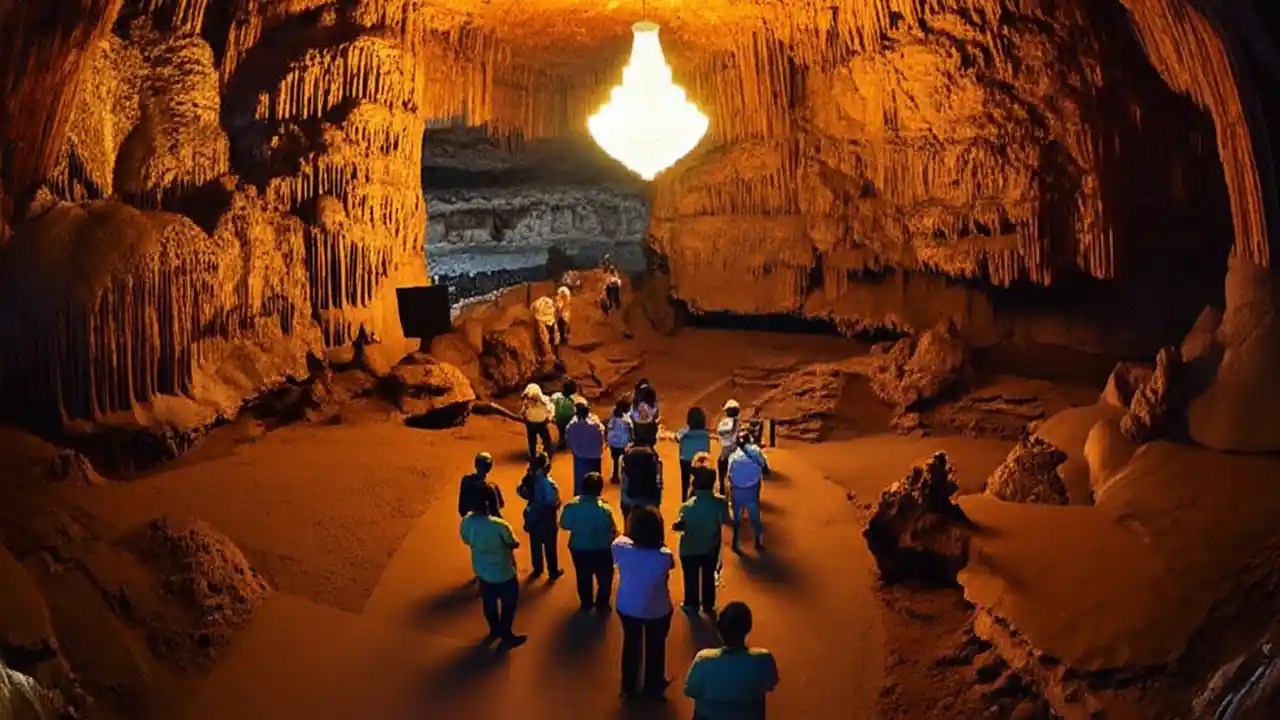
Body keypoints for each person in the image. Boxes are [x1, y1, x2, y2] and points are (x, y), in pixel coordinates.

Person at [612, 506, 676, 699]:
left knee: (631, 643)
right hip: (658, 609)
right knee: (656, 646)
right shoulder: (664, 555)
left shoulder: (619, 547)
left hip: (628, 605)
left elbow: (622, 537)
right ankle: (653, 685)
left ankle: (628, 686)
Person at [683, 601, 779, 719]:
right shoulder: (763, 658)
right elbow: (770, 684)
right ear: (748, 628)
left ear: (719, 628)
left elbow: (690, 690)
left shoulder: (703, 659)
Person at [460, 495, 527, 649]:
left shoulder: (466, 522)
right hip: (503, 571)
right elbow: (512, 542)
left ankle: (494, 629)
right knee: (509, 604)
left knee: (489, 603)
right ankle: (506, 632)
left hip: (482, 571)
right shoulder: (499, 525)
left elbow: (465, 539)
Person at [673, 457, 730, 615]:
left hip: (689, 548)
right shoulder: (720, 502)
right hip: (711, 546)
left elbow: (680, 525)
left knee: (690, 578)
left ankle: (691, 604)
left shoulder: (686, 507)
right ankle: (708, 603)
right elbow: (727, 520)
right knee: (708, 576)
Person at [560, 471, 619, 612]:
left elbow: (564, 525)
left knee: (583, 576)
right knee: (604, 578)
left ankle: (586, 602)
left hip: (579, 547)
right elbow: (613, 529)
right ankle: (602, 603)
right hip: (602, 548)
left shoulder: (571, 506)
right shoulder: (605, 509)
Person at [516, 452, 564, 580]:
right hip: (547, 518)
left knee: (535, 544)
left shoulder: (529, 479)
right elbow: (552, 502)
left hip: (533, 515)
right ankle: (552, 571)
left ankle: (537, 569)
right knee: (550, 546)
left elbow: (521, 491)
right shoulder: (548, 483)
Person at [726, 430, 770, 553]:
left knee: (737, 519)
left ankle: (735, 543)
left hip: (737, 490)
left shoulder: (733, 457)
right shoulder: (756, 453)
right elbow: (764, 467)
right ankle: (757, 543)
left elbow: (729, 475)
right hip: (752, 490)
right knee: (755, 518)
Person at [565, 400, 605, 496]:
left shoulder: (572, 425)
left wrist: (575, 450)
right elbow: (601, 436)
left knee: (580, 482)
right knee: (595, 481)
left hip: (581, 457)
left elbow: (569, 440)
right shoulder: (595, 424)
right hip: (595, 456)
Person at [675, 407, 712, 500]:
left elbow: (676, 437)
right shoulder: (705, 433)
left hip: (686, 460)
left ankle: (684, 500)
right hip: (701, 460)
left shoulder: (685, 431)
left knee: (685, 482)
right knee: (701, 481)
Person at [620, 439, 662, 521]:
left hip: (631, 501)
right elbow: (659, 486)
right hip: (651, 501)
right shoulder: (653, 470)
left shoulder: (628, 472)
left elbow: (624, 490)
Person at [457, 451, 504, 519]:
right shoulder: (491, 487)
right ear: (489, 467)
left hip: (470, 521)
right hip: (486, 522)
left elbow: (462, 509)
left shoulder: (465, 481)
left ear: (475, 465)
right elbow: (496, 511)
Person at [520, 383, 555, 459]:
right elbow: (523, 411)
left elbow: (551, 409)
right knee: (533, 440)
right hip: (532, 423)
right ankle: (533, 455)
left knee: (545, 439)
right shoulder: (528, 403)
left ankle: (547, 454)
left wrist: (549, 418)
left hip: (540, 423)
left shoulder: (544, 401)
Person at [715, 399, 743, 493]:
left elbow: (720, 434)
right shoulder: (736, 422)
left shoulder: (722, 422)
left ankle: (722, 485)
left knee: (721, 465)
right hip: (734, 449)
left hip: (725, 449)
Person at [605, 397, 634, 485]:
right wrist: (632, 440)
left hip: (613, 442)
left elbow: (608, 429)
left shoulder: (612, 418)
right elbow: (631, 431)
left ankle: (615, 476)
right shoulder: (627, 419)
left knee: (616, 460)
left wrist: (607, 440)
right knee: (626, 460)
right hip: (623, 443)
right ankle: (626, 477)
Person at [550, 379, 583, 450]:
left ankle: (562, 441)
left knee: (562, 430)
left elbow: (551, 405)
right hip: (571, 419)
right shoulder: (576, 398)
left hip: (559, 420)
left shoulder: (556, 396)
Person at [630, 380, 660, 447]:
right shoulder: (653, 402)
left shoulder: (635, 403)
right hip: (649, 433)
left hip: (638, 433)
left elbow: (632, 416)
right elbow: (656, 415)